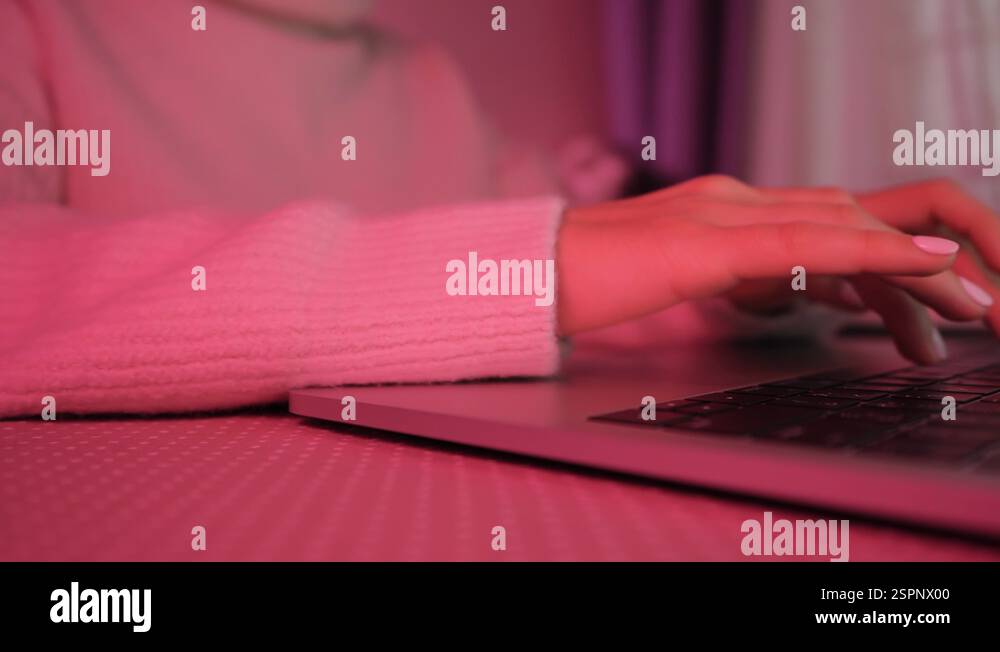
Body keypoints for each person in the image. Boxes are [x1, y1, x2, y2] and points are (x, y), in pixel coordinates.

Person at [1, 0, 998, 417]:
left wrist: (756, 274)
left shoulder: (421, 77)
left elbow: (575, 282)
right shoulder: (35, 25)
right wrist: (540, 258)